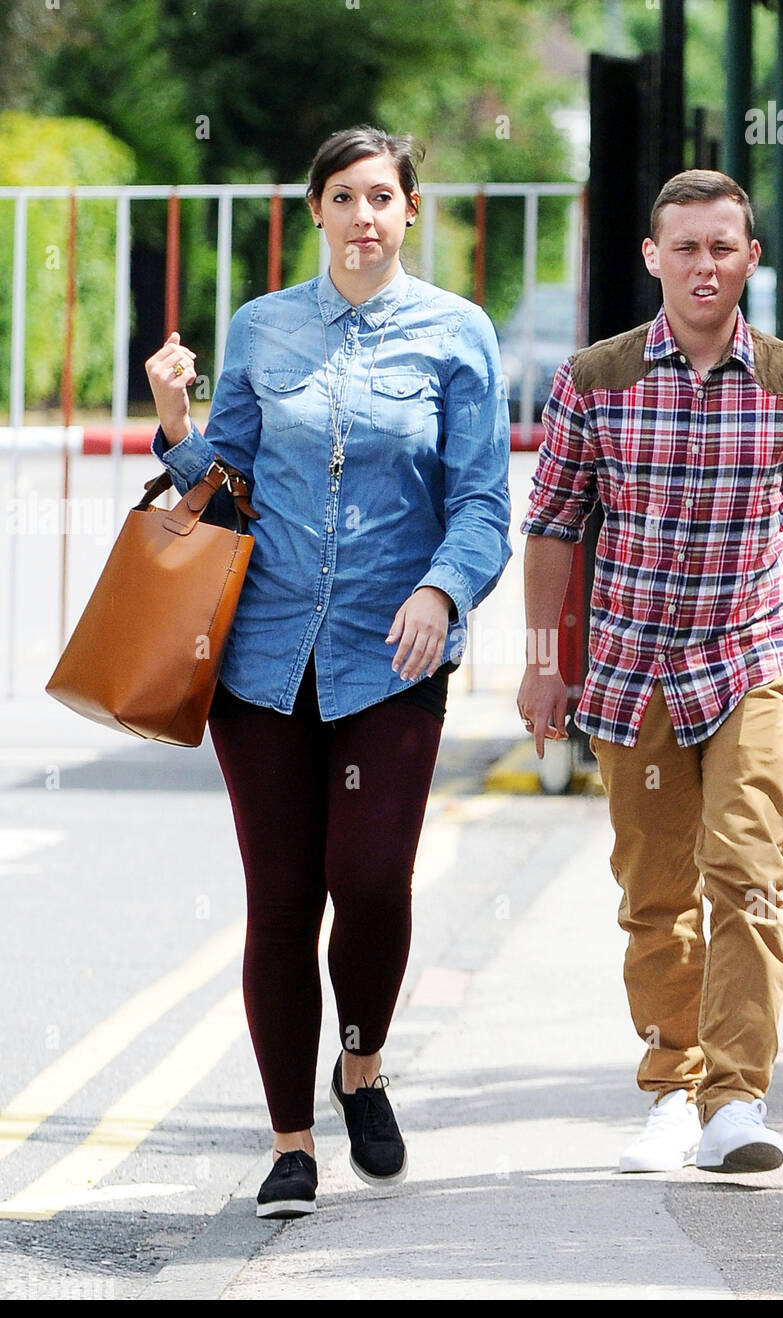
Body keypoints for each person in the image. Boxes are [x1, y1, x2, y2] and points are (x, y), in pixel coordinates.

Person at [145, 126, 511, 1217]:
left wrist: (442, 589)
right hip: (259, 662)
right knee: (281, 898)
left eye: (382, 198)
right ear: (315, 213)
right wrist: (177, 424)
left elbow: (484, 498)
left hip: (389, 655)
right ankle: (291, 1143)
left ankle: (361, 1065)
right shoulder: (263, 327)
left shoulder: (459, 335)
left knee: (369, 878)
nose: (363, 217)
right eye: (342, 198)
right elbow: (231, 482)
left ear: (409, 213)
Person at [517, 170, 783, 1175]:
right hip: (631, 667)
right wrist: (544, 666)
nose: (703, 264)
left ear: (749, 259)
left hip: (754, 658)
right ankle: (671, 1088)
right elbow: (551, 527)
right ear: (651, 257)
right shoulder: (592, 379)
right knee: (654, 893)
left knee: (751, 869)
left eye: (722, 246)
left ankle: (736, 1097)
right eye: (684, 246)